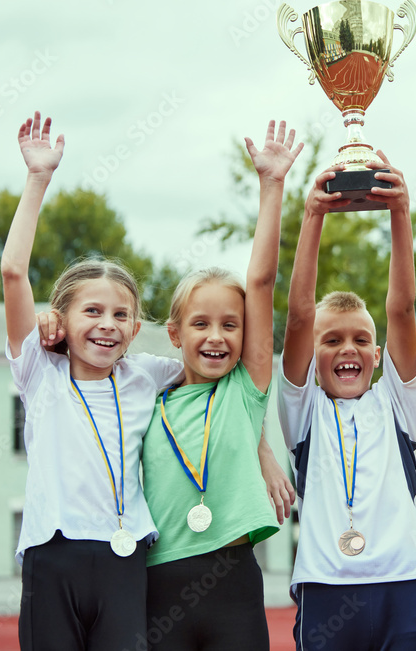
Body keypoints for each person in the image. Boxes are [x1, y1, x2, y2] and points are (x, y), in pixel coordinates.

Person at [3, 112, 184, 650]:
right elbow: (14, 272)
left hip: (123, 558)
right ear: (62, 315)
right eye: (92, 312)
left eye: (121, 315)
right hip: (51, 554)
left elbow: (222, 359)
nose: (107, 325)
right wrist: (38, 178)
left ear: (135, 325)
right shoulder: (40, 370)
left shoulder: (147, 375)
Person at [140, 120, 302, 651]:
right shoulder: (147, 397)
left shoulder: (245, 388)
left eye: (230, 325)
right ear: (174, 333)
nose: (216, 337)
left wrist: (272, 186)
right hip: (158, 580)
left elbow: (261, 282)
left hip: (232, 577)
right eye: (201, 324)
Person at [278, 154, 416, 651]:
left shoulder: (396, 401)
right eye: (332, 342)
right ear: (313, 356)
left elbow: (402, 307)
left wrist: (400, 213)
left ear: (376, 353)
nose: (347, 349)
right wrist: (313, 216)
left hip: (403, 583)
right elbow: (301, 314)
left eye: (360, 340)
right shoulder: (303, 410)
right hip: (326, 585)